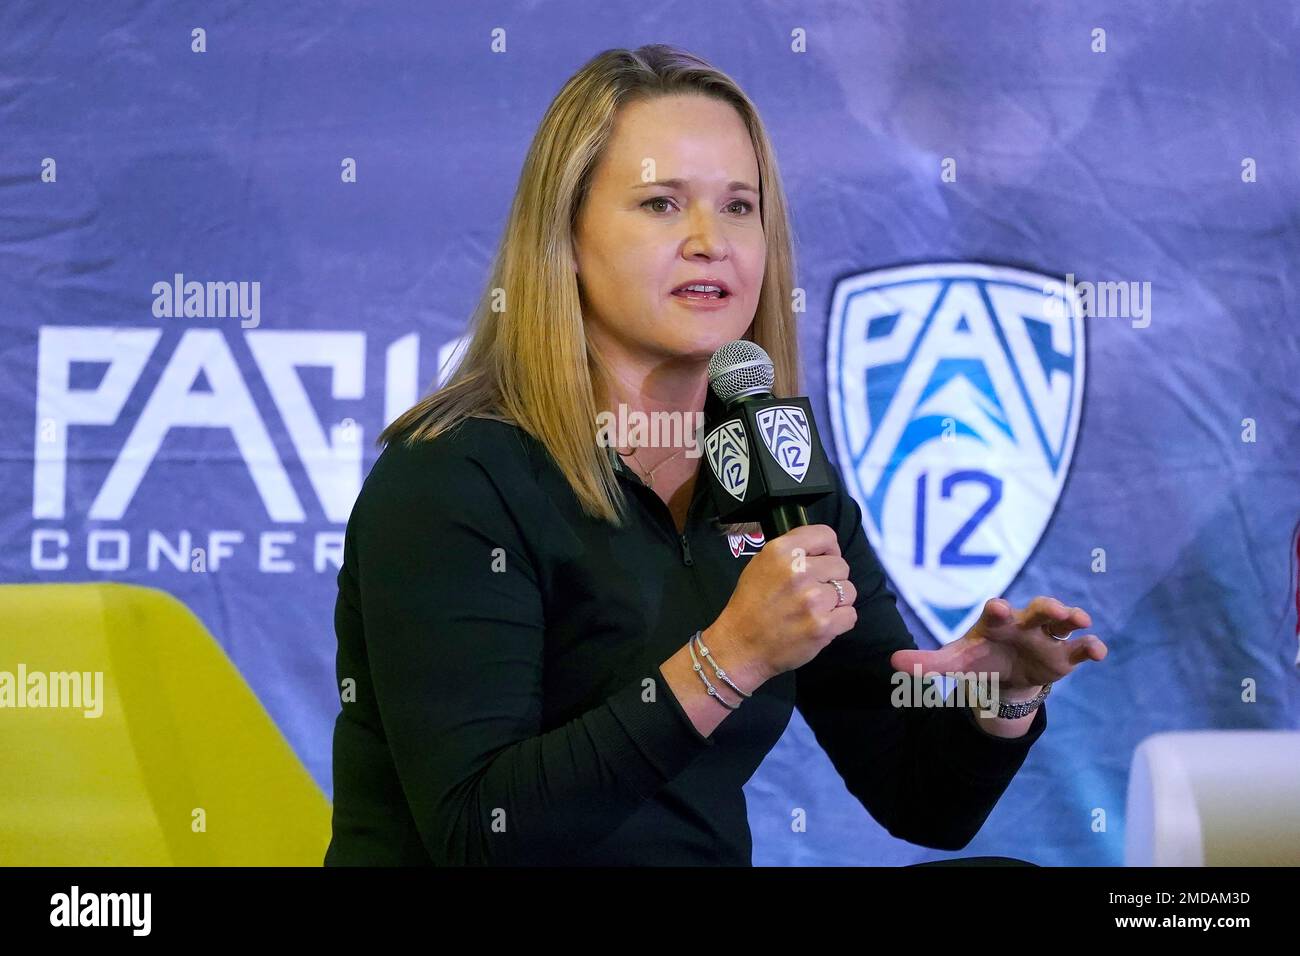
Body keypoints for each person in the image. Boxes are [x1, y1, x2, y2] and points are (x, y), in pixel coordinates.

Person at [323, 44, 1107, 867]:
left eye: (740, 207)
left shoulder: (781, 480)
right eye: (662, 204)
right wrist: (729, 656)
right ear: (567, 234)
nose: (710, 241)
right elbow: (480, 832)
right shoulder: (454, 476)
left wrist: (1003, 695)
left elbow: (921, 801)